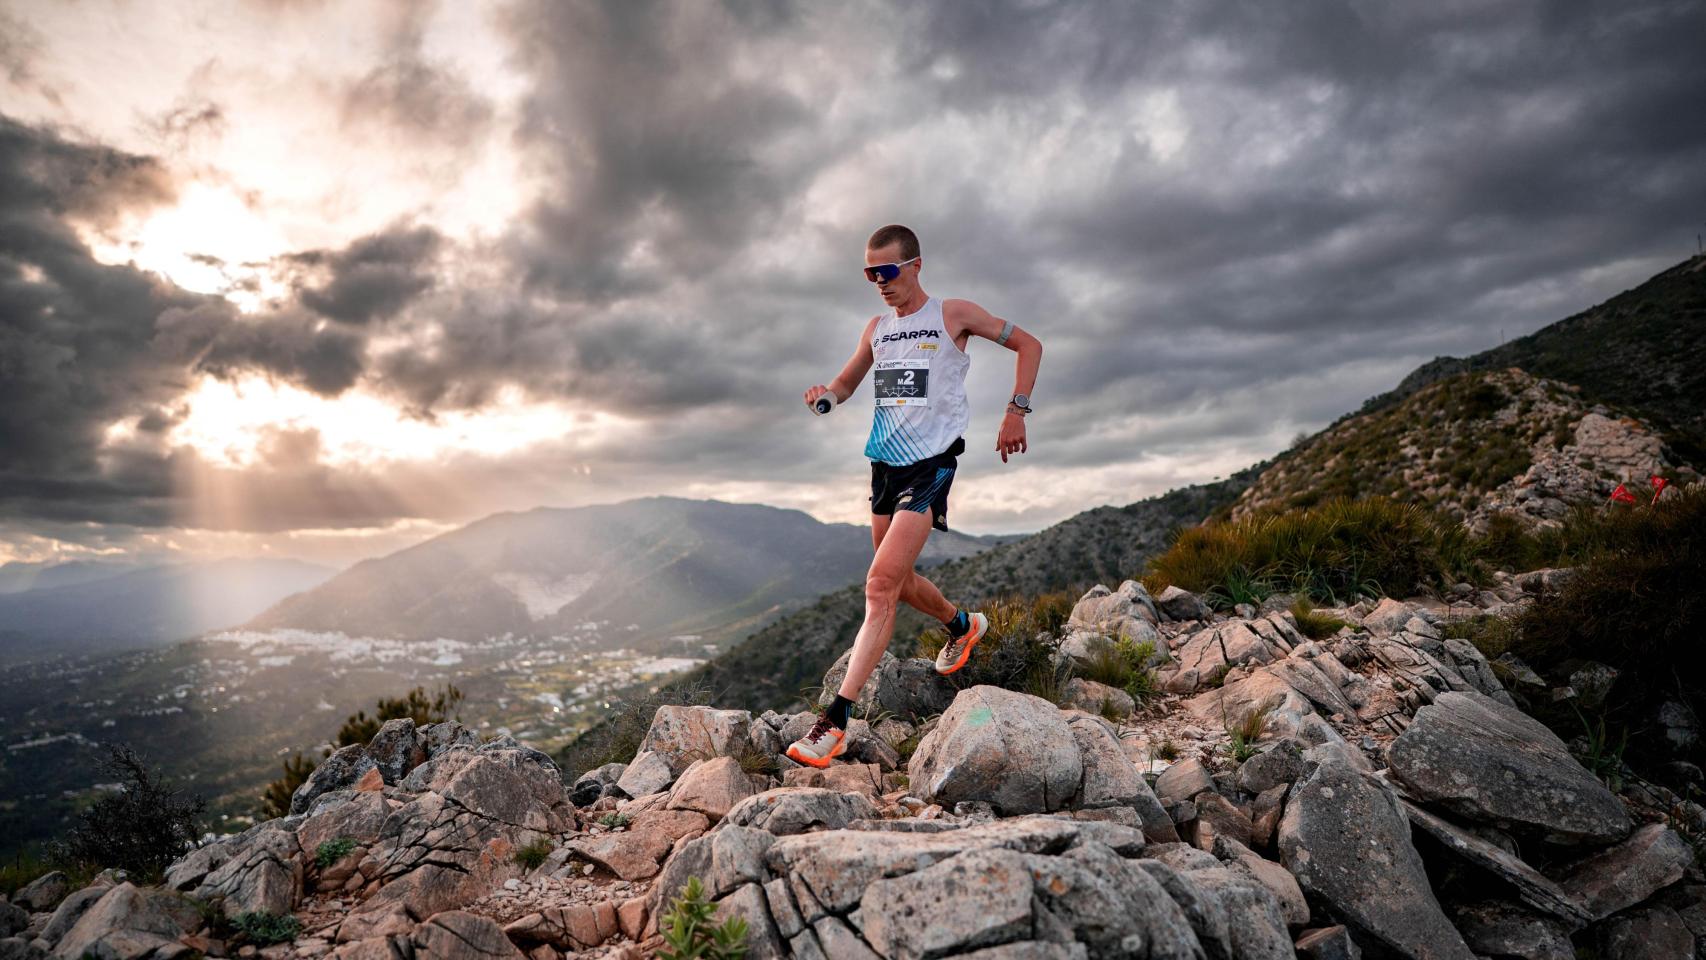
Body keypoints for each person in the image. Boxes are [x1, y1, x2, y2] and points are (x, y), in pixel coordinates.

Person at [786, 224, 1043, 768]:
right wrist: (823, 399)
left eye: (888, 271)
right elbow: (847, 384)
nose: (879, 282)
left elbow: (1029, 343)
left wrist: (1015, 410)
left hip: (931, 465)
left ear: (915, 265)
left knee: (878, 585)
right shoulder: (878, 328)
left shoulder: (953, 315)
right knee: (896, 584)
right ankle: (961, 625)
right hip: (883, 465)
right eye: (869, 273)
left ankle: (833, 723)